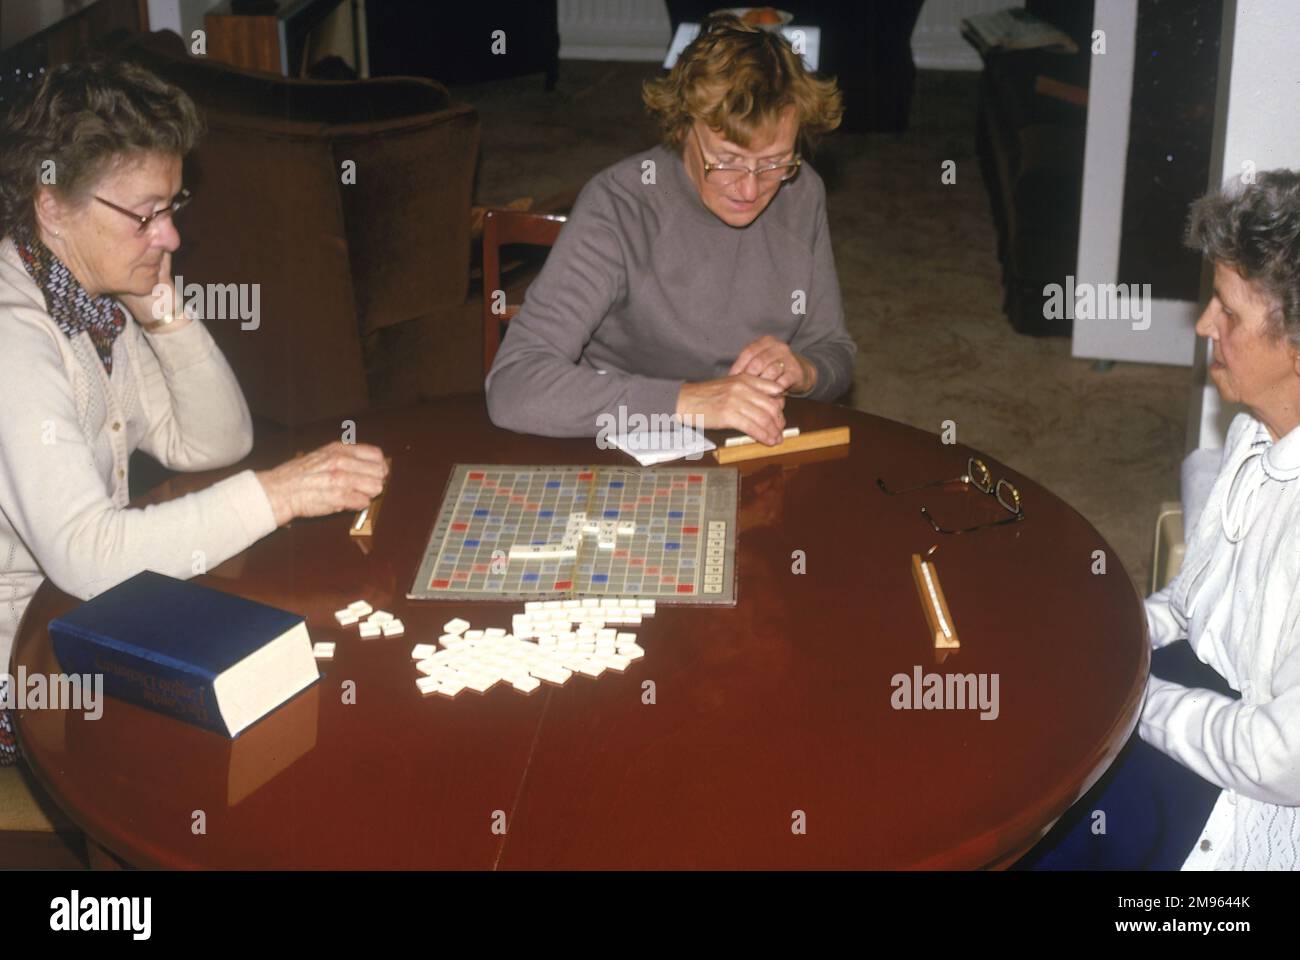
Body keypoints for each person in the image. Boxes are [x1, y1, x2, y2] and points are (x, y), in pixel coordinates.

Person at [0, 58, 387, 763]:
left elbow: (213, 440)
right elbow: (87, 555)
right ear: (51, 204)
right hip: (21, 678)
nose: (170, 238)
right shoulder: (13, 334)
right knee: (271, 742)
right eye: (145, 214)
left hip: (77, 623)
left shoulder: (91, 298)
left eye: (171, 209)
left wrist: (166, 314)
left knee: (308, 683)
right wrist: (283, 492)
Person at [1023, 169, 1300, 870]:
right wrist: (1099, 641)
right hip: (1194, 710)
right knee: (1015, 781)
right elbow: (1188, 602)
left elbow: (1277, 762)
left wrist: (1128, 697)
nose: (1206, 325)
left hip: (1239, 800)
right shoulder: (1253, 436)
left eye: (1229, 314)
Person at [486, 14, 855, 445]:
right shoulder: (620, 204)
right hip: (617, 444)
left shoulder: (802, 191)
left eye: (774, 161)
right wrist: (690, 401)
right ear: (684, 128)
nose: (751, 187)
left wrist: (802, 370)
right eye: (728, 160)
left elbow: (835, 352)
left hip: (746, 443)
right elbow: (515, 385)